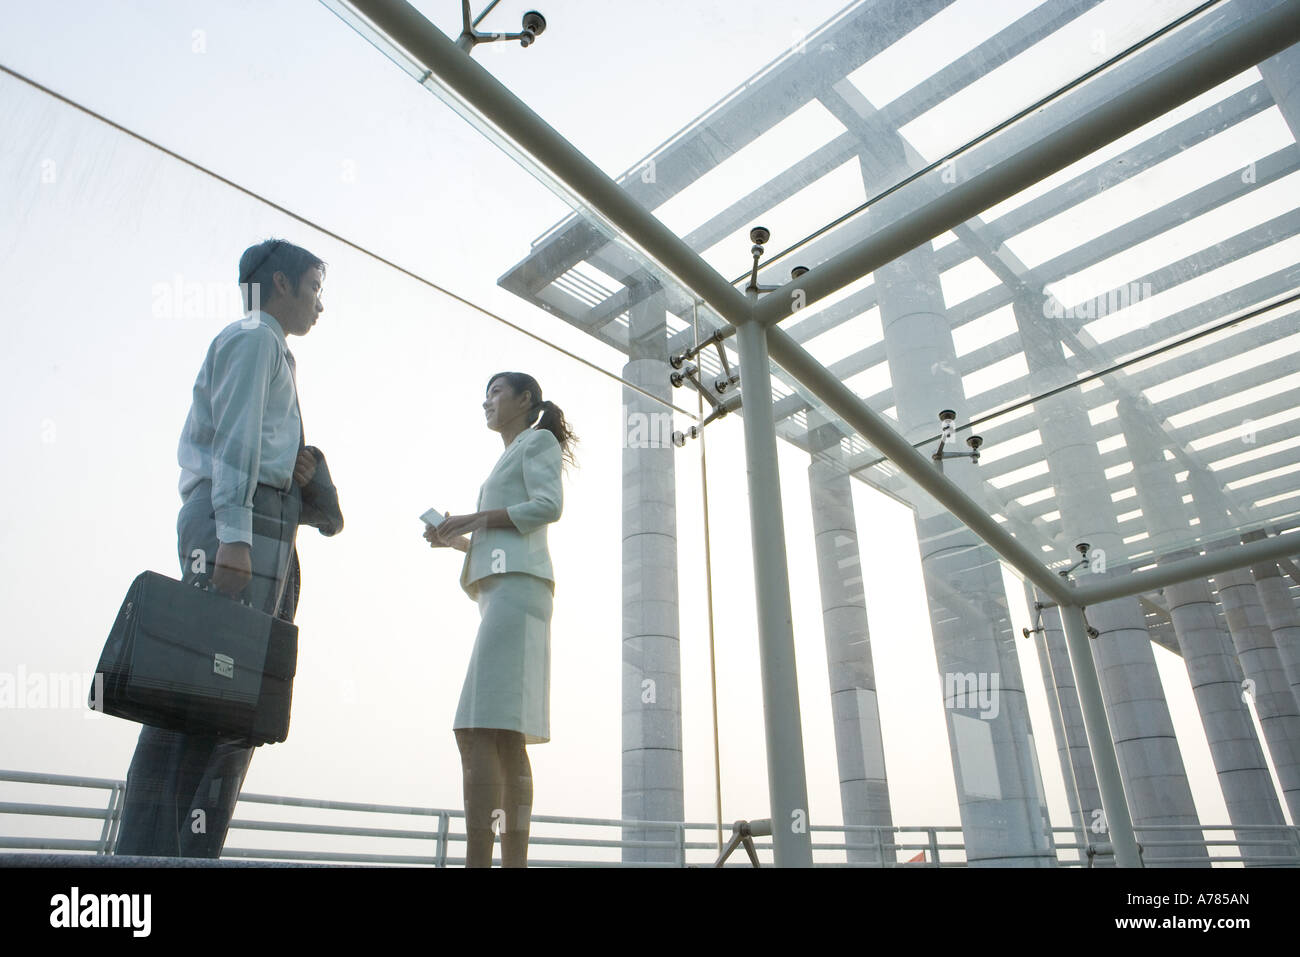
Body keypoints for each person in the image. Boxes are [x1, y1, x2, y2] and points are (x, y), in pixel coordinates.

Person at [114, 238, 343, 858]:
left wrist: (293, 467)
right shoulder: (255, 339)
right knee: (210, 696)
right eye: (316, 288)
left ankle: (164, 853)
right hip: (239, 525)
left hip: (249, 519)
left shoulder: (267, 347)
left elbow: (250, 439)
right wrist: (236, 541)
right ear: (282, 285)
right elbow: (236, 443)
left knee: (214, 693)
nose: (321, 303)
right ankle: (159, 859)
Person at [425, 372, 576, 868]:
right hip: (509, 590)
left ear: (524, 399)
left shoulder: (537, 442)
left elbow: (548, 506)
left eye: (495, 392)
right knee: (505, 736)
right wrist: (458, 541)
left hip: (519, 593)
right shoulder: (511, 454)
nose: (486, 401)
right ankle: (508, 864)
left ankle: (480, 864)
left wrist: (473, 518)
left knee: (476, 729)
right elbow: (507, 542)